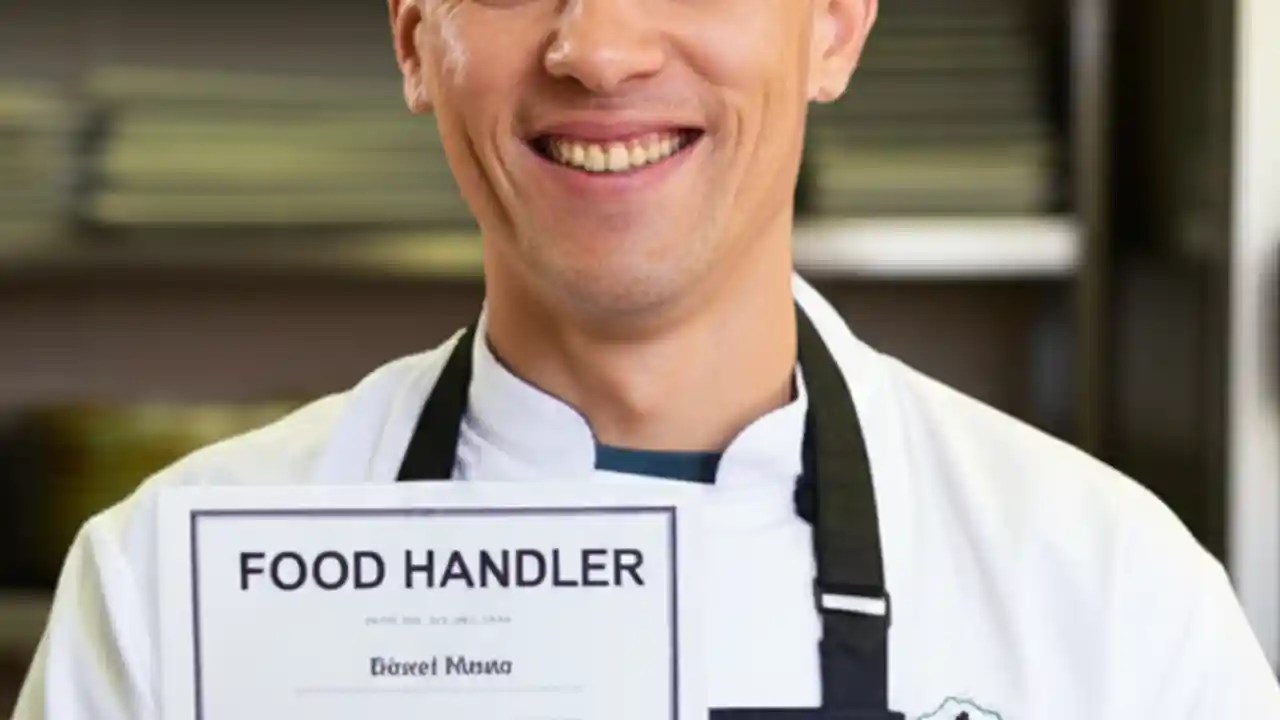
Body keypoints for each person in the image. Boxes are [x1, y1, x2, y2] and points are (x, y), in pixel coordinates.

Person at [13, 0, 1280, 718]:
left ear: (834, 25)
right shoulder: (165, 590)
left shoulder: (1114, 603)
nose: (600, 47)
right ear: (411, 37)